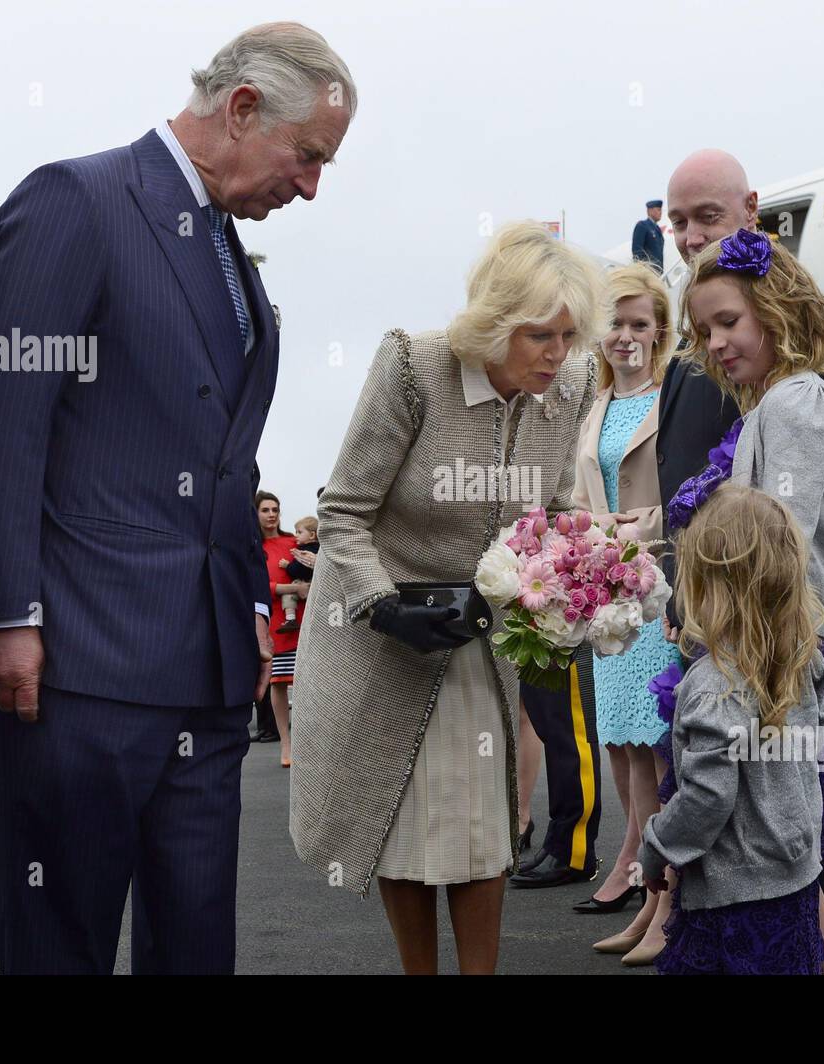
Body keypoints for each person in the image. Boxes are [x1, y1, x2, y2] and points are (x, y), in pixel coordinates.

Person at [0, 22, 355, 974]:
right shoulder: (78, 204)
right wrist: (4, 616)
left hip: (208, 683)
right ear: (243, 108)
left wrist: (252, 608)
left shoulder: (232, 265)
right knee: (63, 945)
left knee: (197, 948)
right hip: (78, 666)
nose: (310, 186)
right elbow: (0, 425)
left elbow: (228, 463)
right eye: (307, 156)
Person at [289, 221, 603, 975]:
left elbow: (553, 507)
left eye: (569, 336)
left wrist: (583, 566)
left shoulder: (572, 384)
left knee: (481, 827)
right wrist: (382, 604)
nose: (557, 355)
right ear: (494, 324)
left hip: (480, 640)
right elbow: (343, 511)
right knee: (404, 820)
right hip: (383, 634)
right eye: (539, 336)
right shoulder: (413, 367)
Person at [675, 226, 824, 970]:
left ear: (776, 310)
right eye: (701, 330)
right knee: (778, 845)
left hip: (785, 648)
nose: (714, 343)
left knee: (789, 849)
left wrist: (712, 615)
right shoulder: (769, 408)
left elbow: (779, 541)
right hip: (761, 642)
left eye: (729, 322)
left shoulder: (798, 405)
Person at [638, 481, 824, 975]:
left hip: (730, 901)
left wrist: (657, 846)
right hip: (795, 882)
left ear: (708, 584)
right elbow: (817, 750)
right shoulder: (803, 662)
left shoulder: (711, 686)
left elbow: (707, 799)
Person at [566, 265, 678, 962]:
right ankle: (647, 897)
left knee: (661, 753)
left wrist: (645, 529)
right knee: (629, 750)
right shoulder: (594, 407)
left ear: (661, 332)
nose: (625, 335)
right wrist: (583, 540)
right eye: (615, 322)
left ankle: (671, 903)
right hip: (610, 603)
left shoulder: (676, 397)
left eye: (640, 323)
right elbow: (583, 503)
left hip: (658, 589)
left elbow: (698, 484)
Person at [657, 151, 749, 614]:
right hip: (694, 598)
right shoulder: (688, 336)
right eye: (678, 223)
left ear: (751, 209)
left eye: (708, 218)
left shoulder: (781, 330)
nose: (692, 239)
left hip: (742, 599)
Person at [507, 651, 601, 888]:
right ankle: (560, 842)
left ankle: (573, 850)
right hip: (539, 625)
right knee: (548, 718)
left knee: (568, 729)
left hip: (568, 629)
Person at [255, 492, 310, 758]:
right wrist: (289, 588)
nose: (271, 514)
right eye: (265, 510)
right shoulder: (252, 548)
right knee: (278, 683)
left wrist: (307, 588)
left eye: (275, 509)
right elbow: (255, 586)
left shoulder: (293, 542)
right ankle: (285, 744)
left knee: (306, 682)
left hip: (303, 618)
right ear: (255, 513)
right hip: (275, 622)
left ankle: (305, 742)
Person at [276, 514, 319, 632]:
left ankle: (291, 619)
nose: (296, 536)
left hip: (304, 582)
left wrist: (287, 566)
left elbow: (297, 570)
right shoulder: (320, 549)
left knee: (288, 595)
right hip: (317, 585)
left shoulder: (303, 551)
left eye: (300, 532)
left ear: (311, 535)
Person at [630, 199, 665, 273]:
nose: (661, 213)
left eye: (661, 210)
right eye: (658, 210)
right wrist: (642, 269)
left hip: (658, 271)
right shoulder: (642, 226)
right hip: (647, 271)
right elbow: (637, 250)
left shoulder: (657, 229)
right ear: (650, 211)